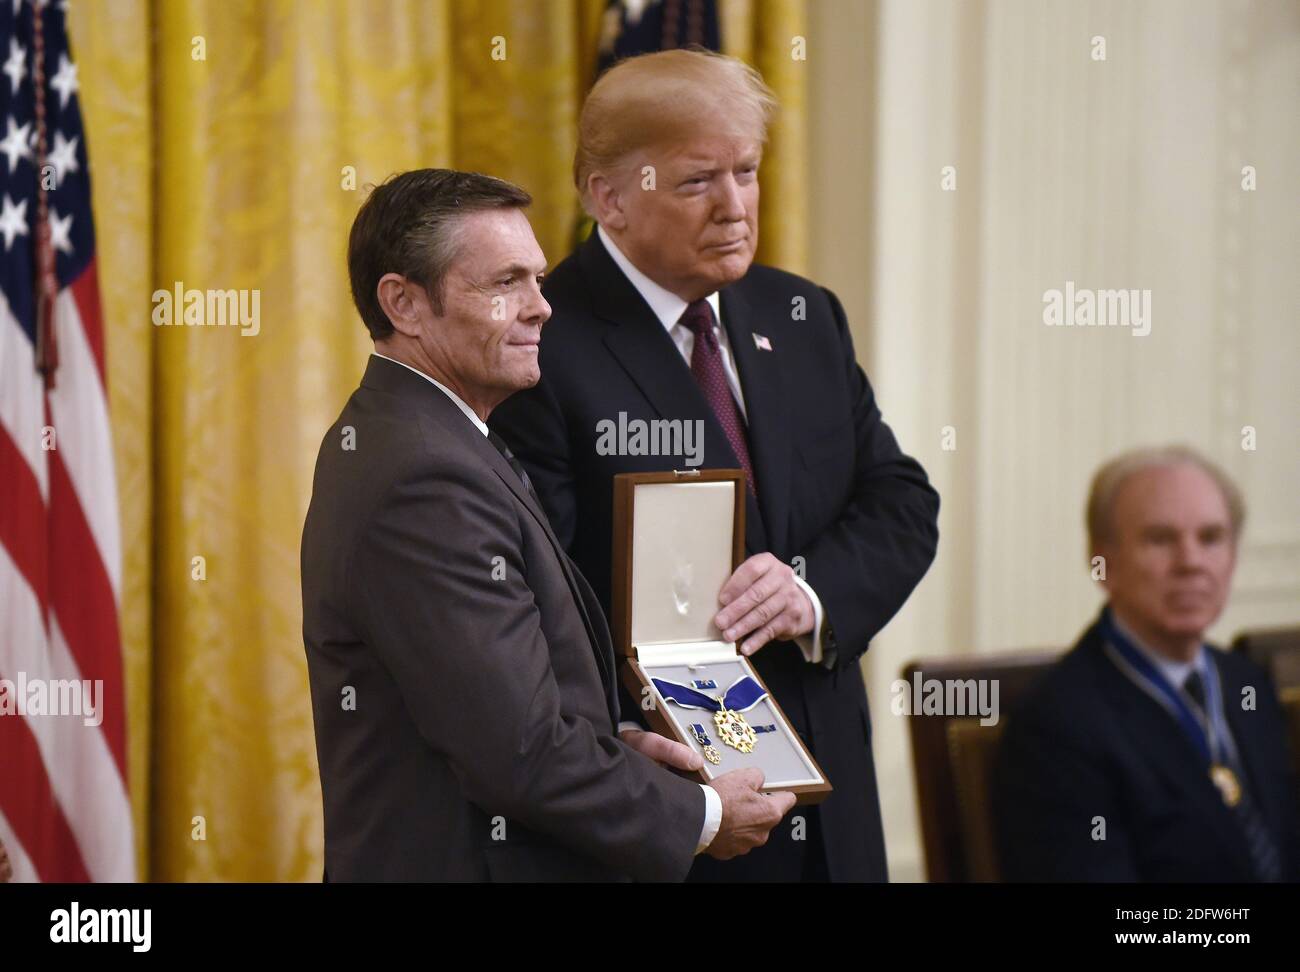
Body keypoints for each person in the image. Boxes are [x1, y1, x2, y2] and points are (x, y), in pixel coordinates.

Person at [490, 50, 940, 881]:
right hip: (676, 814)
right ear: (609, 198)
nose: (736, 206)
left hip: (834, 808)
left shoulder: (801, 313)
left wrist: (808, 591)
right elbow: (533, 596)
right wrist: (617, 741)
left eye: (748, 170)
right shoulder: (541, 342)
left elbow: (901, 501)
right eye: (699, 181)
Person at [302, 168, 792, 882]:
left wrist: (614, 740)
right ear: (403, 303)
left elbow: (495, 703)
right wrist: (704, 816)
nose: (542, 307)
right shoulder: (424, 476)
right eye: (505, 283)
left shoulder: (432, 433)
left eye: (537, 278)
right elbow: (518, 751)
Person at [995, 446, 1300, 882]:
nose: (1190, 562)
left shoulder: (1246, 683)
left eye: (1211, 538)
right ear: (1102, 563)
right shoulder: (1058, 727)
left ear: (1232, 558)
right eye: (1160, 539)